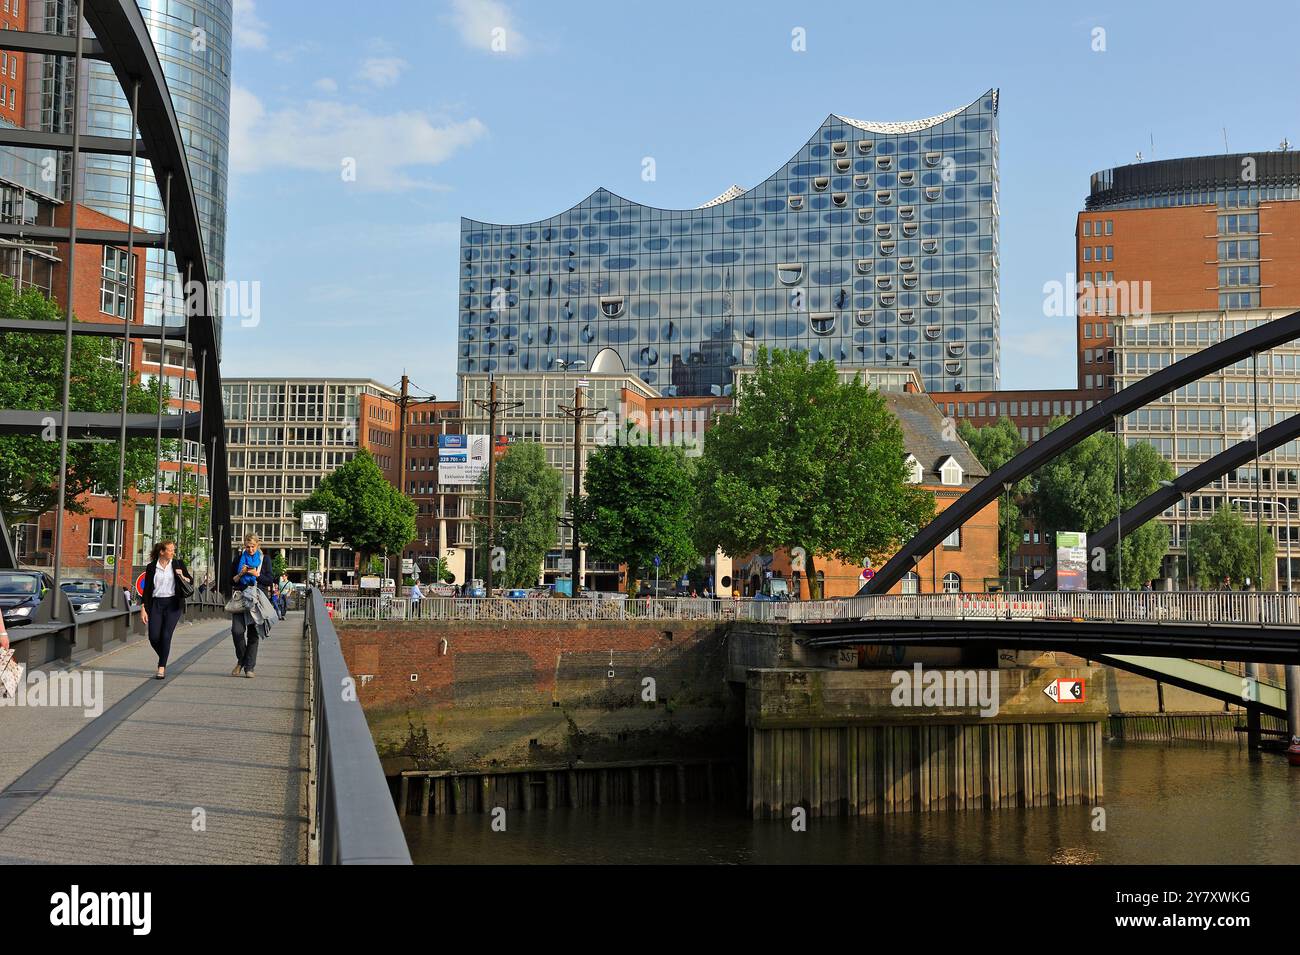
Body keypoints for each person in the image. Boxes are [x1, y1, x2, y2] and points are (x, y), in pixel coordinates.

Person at [139, 540, 192, 680]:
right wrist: (143, 607)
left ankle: (161, 667)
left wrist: (181, 575)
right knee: (154, 637)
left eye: (173, 550)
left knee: (166, 635)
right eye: (170, 550)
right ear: (162, 552)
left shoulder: (178, 564)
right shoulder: (151, 567)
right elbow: (147, 589)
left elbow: (190, 581)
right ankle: (164, 656)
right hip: (156, 603)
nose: (173, 552)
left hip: (173, 604)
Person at [229, 534, 272, 678]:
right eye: (248, 547)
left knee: (253, 634)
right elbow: (231, 581)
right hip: (241, 598)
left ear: (258, 545)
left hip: (257, 601)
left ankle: (249, 667)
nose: (250, 549)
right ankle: (241, 660)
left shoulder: (264, 560)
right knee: (237, 631)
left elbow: (269, 580)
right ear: (244, 546)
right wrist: (240, 574)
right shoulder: (238, 560)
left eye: (253, 546)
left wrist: (256, 575)